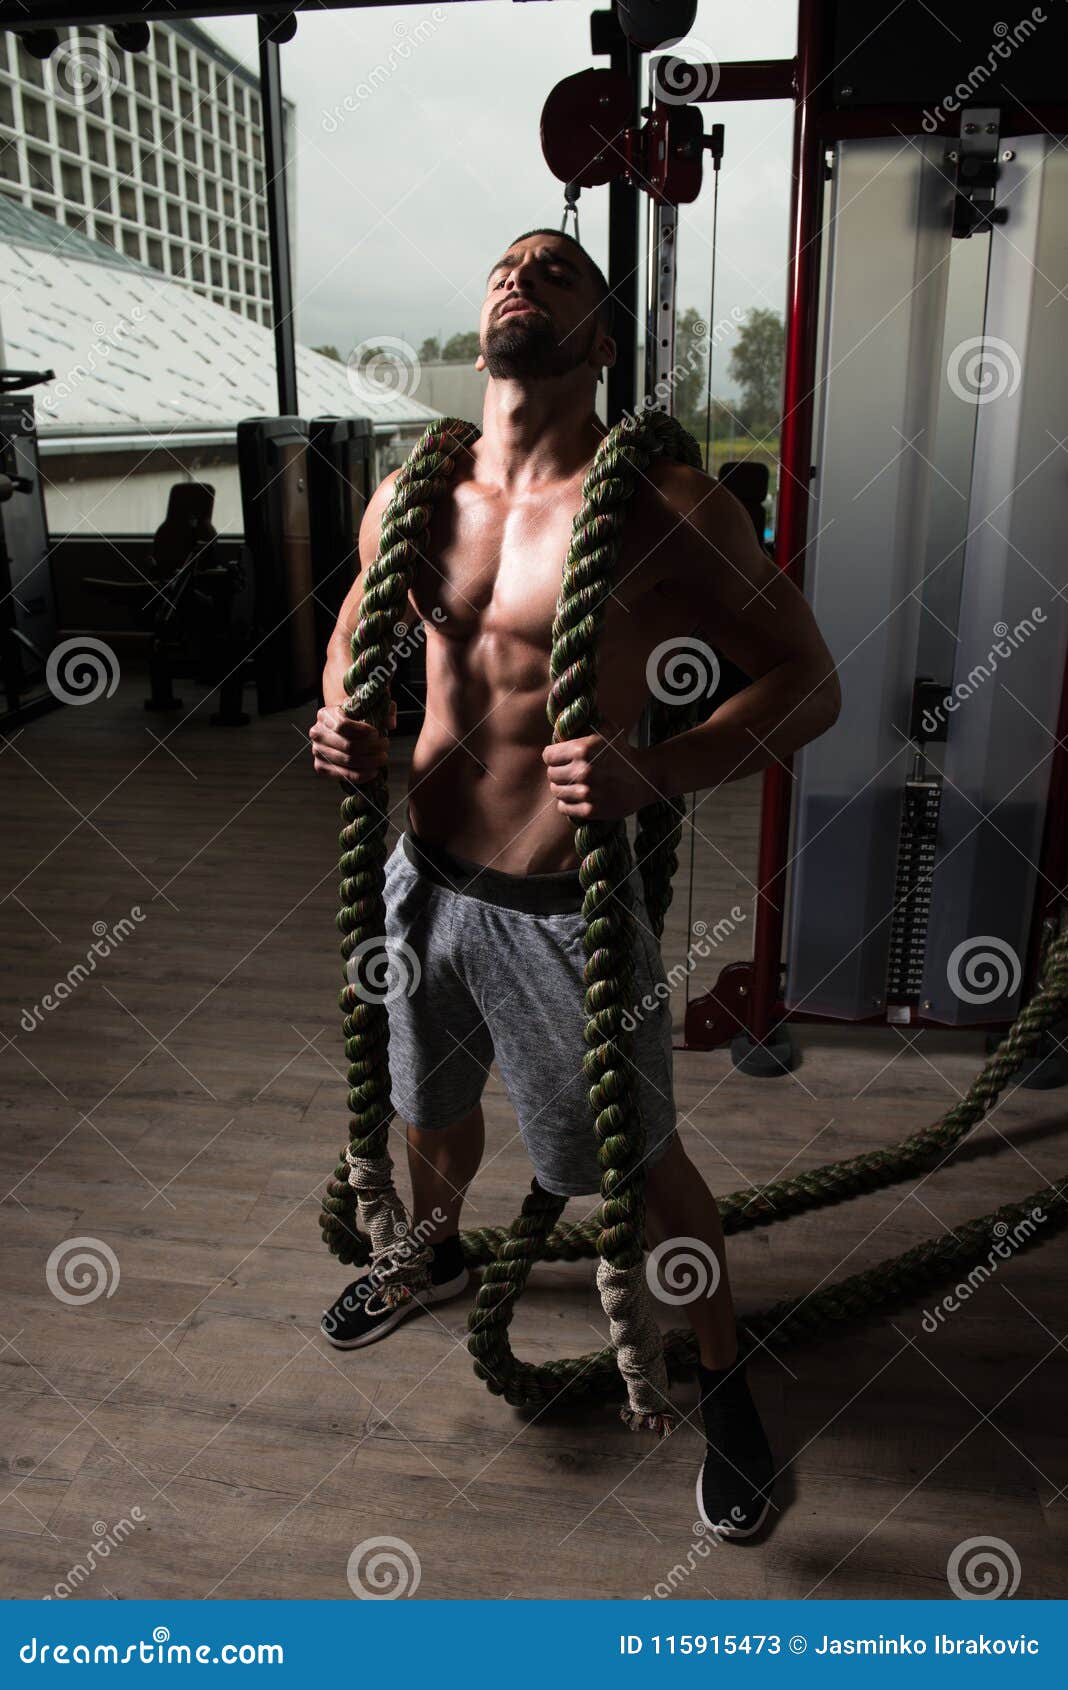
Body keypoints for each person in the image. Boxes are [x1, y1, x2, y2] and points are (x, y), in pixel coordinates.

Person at [309, 228, 841, 1539]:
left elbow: (807, 683)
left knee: (643, 1167)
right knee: (428, 1120)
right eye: (505, 264)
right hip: (421, 876)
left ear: (601, 338)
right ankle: (422, 1249)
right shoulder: (415, 488)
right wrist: (342, 717)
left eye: (555, 272)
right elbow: (349, 640)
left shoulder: (664, 508)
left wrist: (666, 771)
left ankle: (723, 1385)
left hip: (561, 913)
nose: (518, 279)